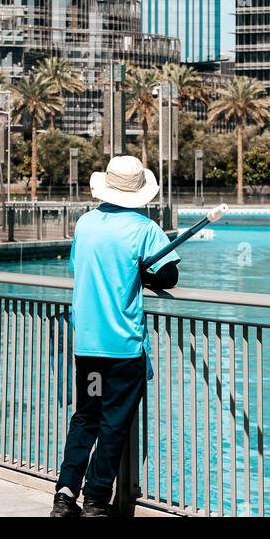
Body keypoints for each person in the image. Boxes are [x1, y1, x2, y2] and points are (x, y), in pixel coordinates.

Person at [51, 154, 178, 519]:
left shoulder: (86, 224)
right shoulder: (145, 228)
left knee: (86, 416)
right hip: (122, 350)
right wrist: (144, 274)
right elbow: (168, 276)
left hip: (88, 346)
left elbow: (79, 267)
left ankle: (64, 493)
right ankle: (95, 500)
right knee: (113, 424)